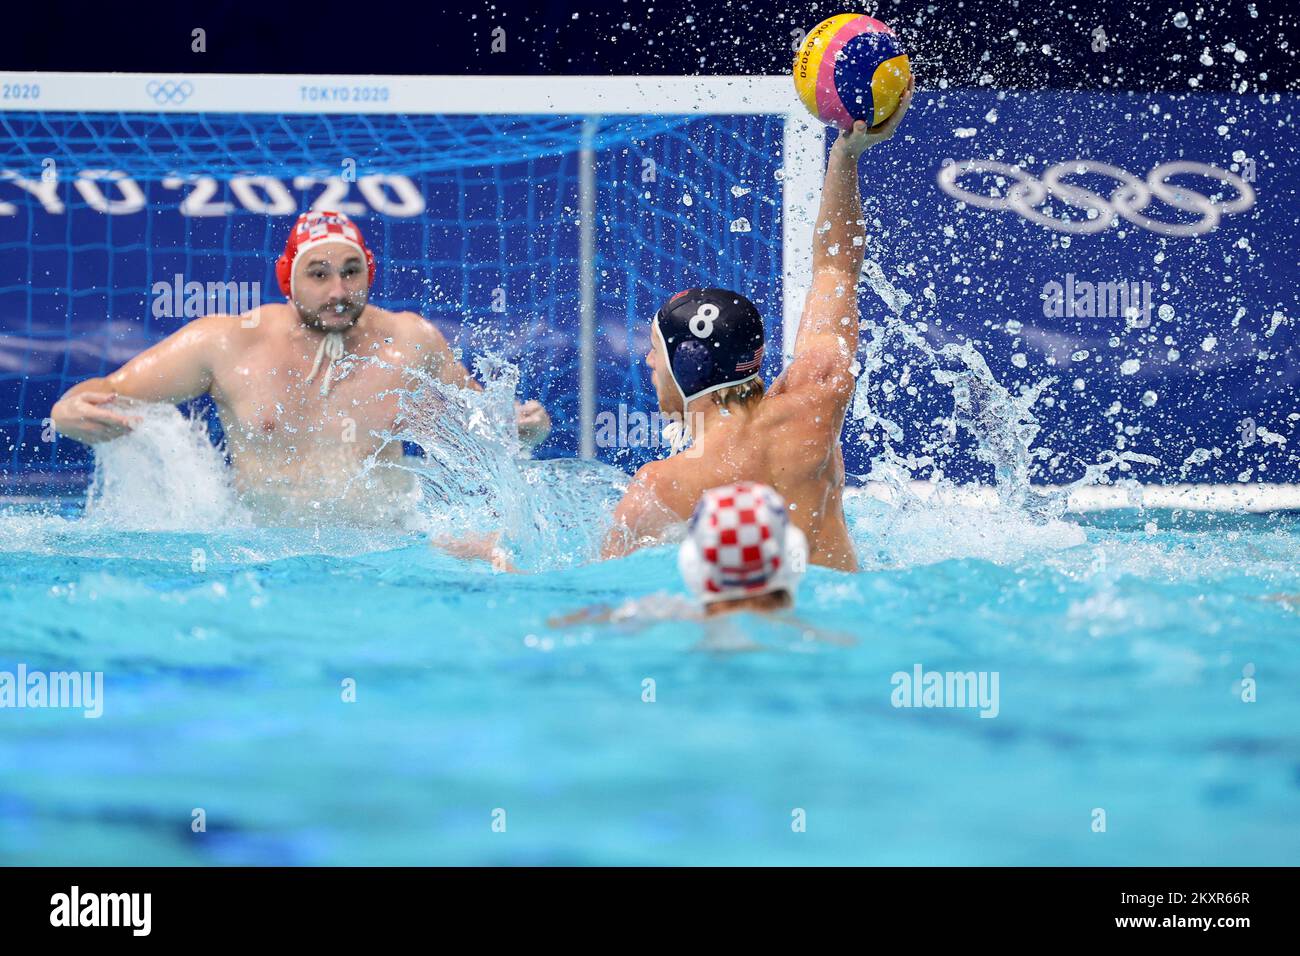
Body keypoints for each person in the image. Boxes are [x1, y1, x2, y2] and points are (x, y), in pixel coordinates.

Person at [49, 210, 551, 523]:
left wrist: (523, 430)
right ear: (288, 278)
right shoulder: (226, 342)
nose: (338, 291)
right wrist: (69, 409)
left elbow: (485, 430)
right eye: (319, 274)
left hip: (385, 555)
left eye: (351, 272)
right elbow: (108, 389)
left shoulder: (410, 341)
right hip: (262, 555)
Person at [601, 79, 914, 571]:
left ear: (690, 365)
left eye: (656, 352)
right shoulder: (816, 403)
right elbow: (836, 268)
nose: (647, 363)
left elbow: (598, 599)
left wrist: (495, 560)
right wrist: (846, 156)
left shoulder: (661, 487)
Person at [555, 482, 852, 649]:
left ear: (691, 565)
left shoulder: (661, 613)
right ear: (792, 559)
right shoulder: (824, 638)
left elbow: (561, 625)